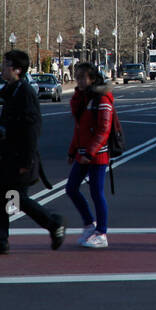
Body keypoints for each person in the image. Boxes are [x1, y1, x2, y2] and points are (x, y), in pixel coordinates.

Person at [0, 49, 65, 255]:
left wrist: (26, 160)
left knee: (15, 198)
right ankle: (0, 240)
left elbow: (32, 129)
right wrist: (4, 132)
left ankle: (53, 223)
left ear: (17, 69)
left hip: (19, 159)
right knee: (3, 198)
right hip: (8, 156)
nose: (2, 68)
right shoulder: (13, 91)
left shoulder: (24, 93)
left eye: (6, 64)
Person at [66, 62, 113, 249]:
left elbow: (104, 130)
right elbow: (79, 129)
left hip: (97, 155)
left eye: (82, 77)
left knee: (96, 193)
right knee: (71, 188)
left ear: (92, 79)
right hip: (83, 153)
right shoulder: (83, 98)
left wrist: (91, 152)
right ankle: (89, 223)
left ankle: (102, 232)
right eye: (77, 77)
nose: (79, 81)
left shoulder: (102, 99)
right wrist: (73, 151)